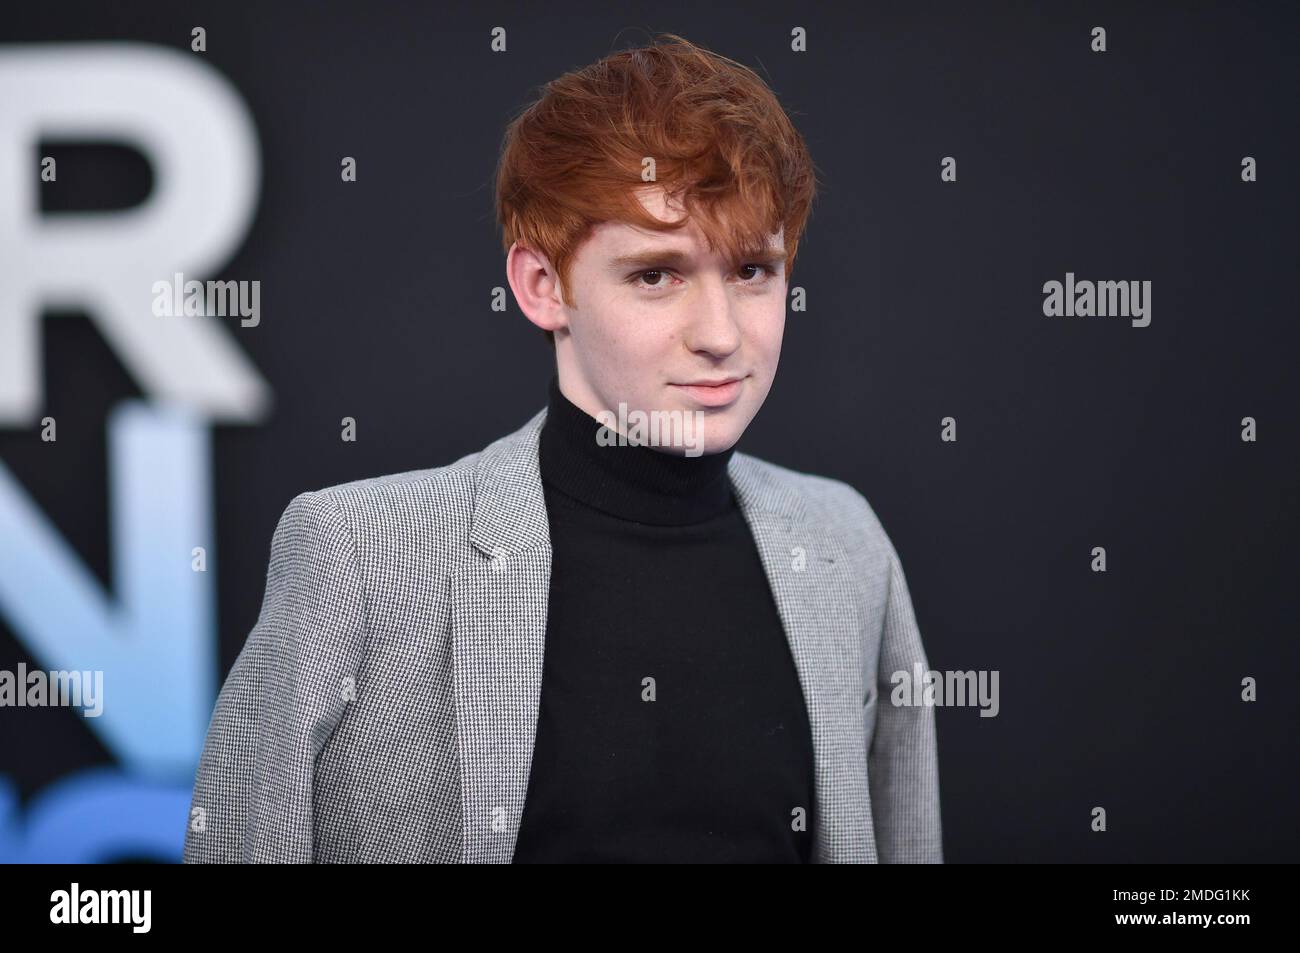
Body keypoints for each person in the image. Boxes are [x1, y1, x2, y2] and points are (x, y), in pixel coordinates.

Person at [183, 32, 942, 864]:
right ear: (542, 285)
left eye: (753, 271)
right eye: (657, 274)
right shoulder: (359, 555)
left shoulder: (844, 545)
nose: (722, 334)